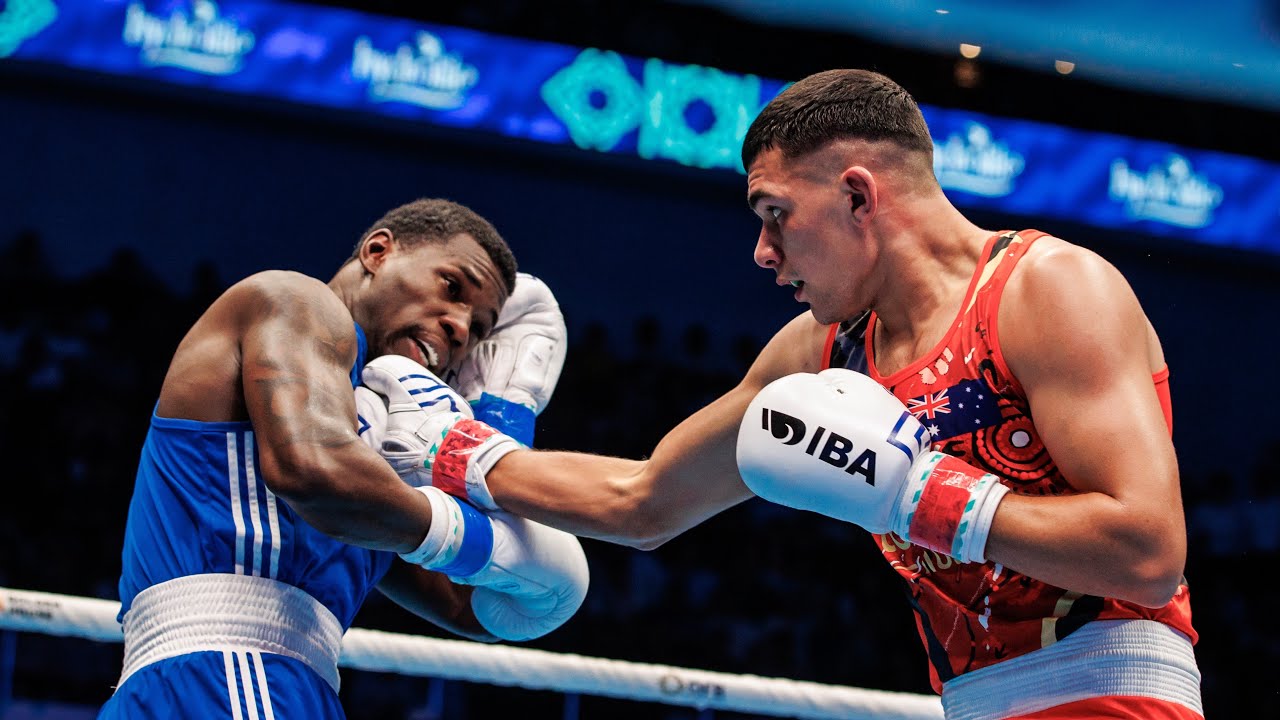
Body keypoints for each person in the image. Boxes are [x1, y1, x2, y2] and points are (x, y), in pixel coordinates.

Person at [360, 71, 1203, 719]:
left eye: (775, 214)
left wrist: (924, 498)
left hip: (1121, 697)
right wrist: (462, 452)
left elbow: (1148, 551)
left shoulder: (1046, 290)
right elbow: (646, 500)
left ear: (858, 195)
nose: (763, 253)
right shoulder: (822, 349)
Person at [97, 197, 588, 719]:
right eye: (452, 287)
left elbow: (468, 604)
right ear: (378, 252)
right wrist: (466, 484)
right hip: (225, 675)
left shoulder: (383, 448)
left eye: (482, 329)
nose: (462, 329)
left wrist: (505, 416)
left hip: (269, 686)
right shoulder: (293, 301)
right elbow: (312, 473)